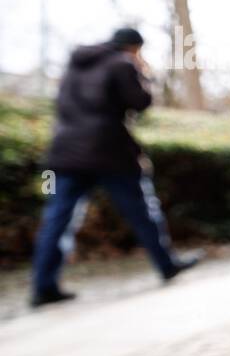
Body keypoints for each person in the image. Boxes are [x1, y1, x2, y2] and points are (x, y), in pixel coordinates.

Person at [30, 27, 200, 307]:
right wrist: (144, 74)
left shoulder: (75, 62)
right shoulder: (123, 63)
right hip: (110, 153)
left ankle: (43, 286)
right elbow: (141, 102)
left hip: (62, 154)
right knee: (143, 211)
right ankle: (166, 264)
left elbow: (59, 104)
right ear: (134, 47)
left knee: (56, 219)